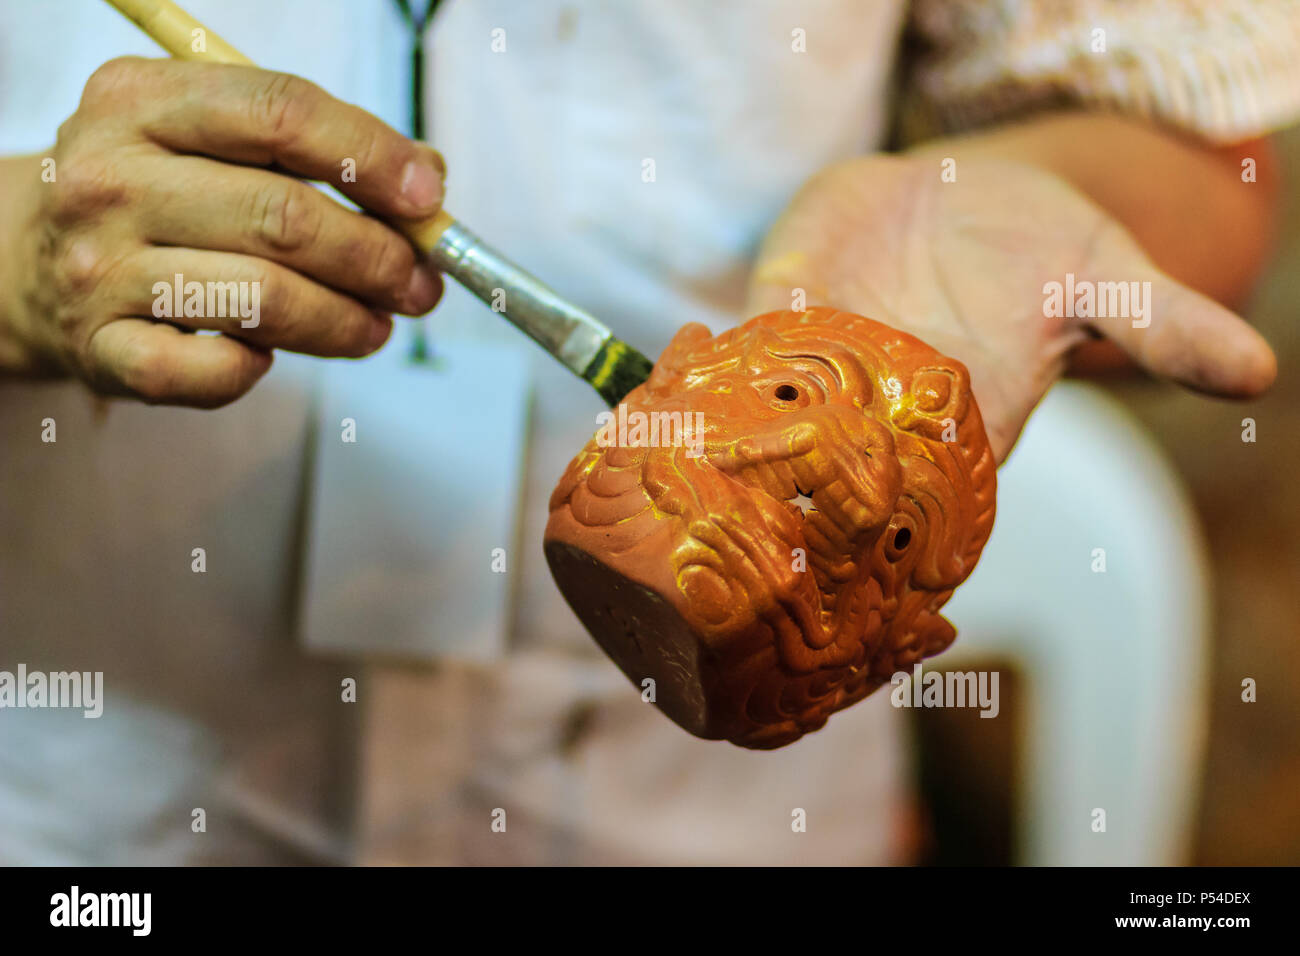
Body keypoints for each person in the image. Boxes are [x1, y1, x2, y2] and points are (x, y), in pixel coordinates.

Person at [0, 0, 1289, 863]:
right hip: (92, 818)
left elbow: (1198, 147)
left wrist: (1027, 207)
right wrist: (14, 262)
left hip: (704, 828)